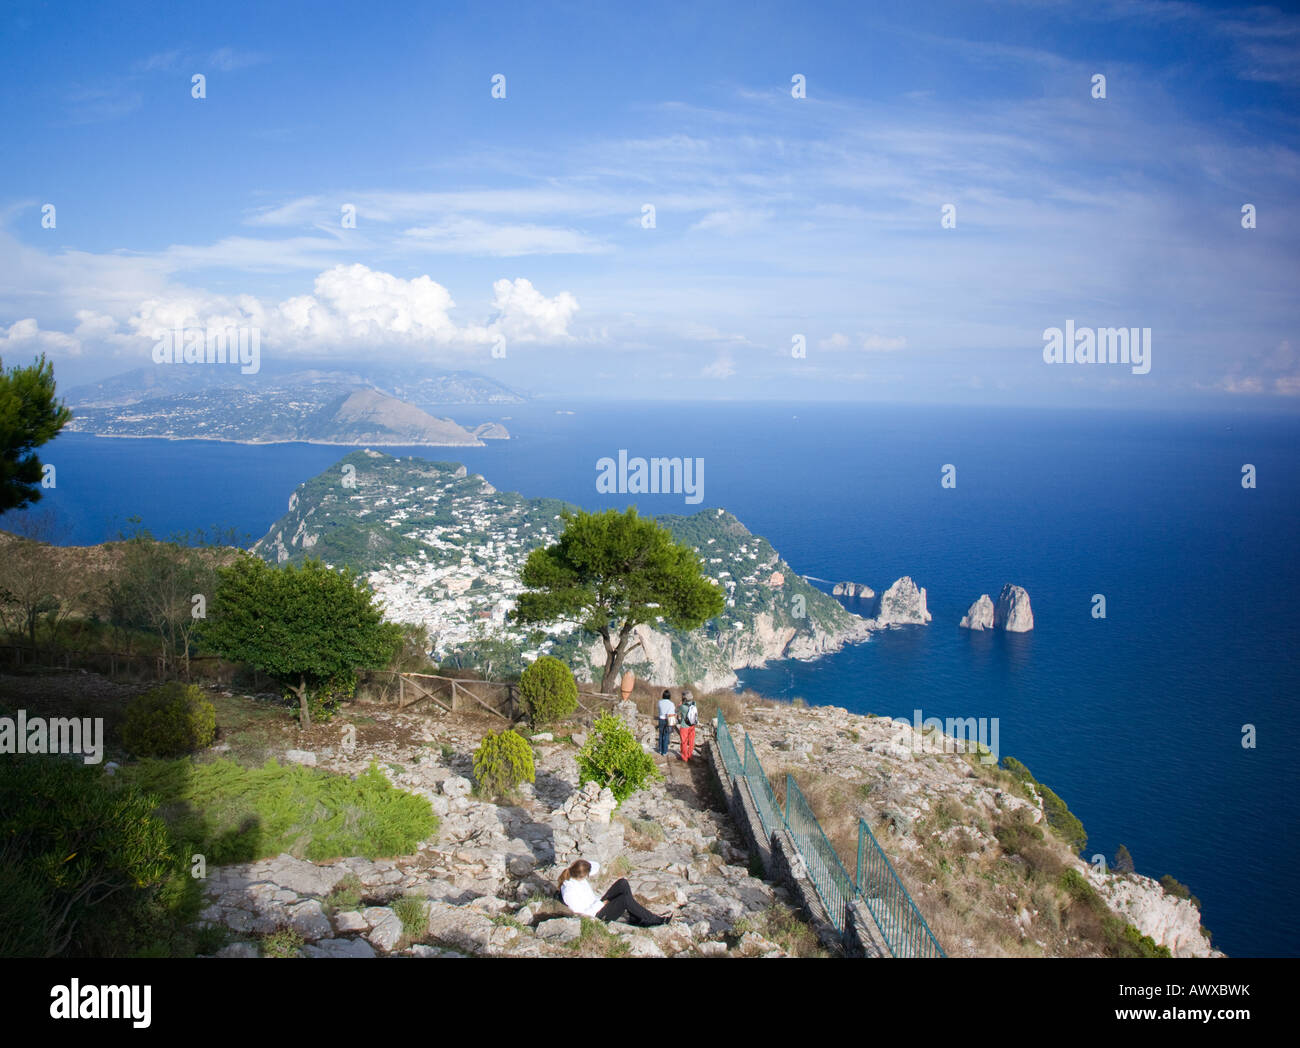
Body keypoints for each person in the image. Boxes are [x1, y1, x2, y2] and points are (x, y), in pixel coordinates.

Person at [557, 860, 668, 926]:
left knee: (622, 883)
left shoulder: (579, 880)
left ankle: (637, 916)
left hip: (598, 905)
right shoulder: (569, 892)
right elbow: (582, 914)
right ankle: (653, 920)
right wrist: (603, 904)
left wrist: (603, 901)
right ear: (582, 875)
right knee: (624, 900)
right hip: (596, 916)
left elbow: (591, 898)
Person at [677, 689, 699, 762]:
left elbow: (676, 712)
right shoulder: (694, 704)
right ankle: (690, 755)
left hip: (684, 726)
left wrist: (679, 705)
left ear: (684, 698)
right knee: (691, 741)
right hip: (692, 726)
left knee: (684, 742)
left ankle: (684, 757)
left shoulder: (682, 707)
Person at [655, 688, 676, 756]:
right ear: (669, 696)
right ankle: (665, 751)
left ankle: (660, 750)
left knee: (661, 735)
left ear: (663, 696)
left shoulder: (660, 702)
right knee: (666, 735)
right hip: (668, 720)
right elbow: (672, 712)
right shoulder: (671, 704)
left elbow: (658, 709)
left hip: (661, 719)